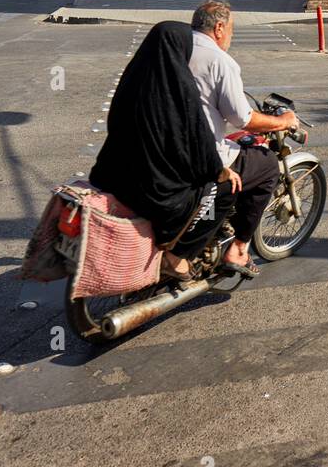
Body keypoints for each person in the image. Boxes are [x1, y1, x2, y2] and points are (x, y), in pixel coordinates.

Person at [89, 20, 239, 283]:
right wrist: (218, 170)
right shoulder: (179, 89)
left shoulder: (132, 82)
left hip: (117, 178)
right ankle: (177, 257)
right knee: (225, 190)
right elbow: (197, 137)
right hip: (156, 193)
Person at [188, 0, 301, 274]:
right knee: (265, 165)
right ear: (218, 28)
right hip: (199, 156)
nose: (231, 38)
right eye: (231, 31)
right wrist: (281, 121)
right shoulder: (219, 61)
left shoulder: (173, 50)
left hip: (162, 147)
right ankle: (239, 249)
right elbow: (244, 119)